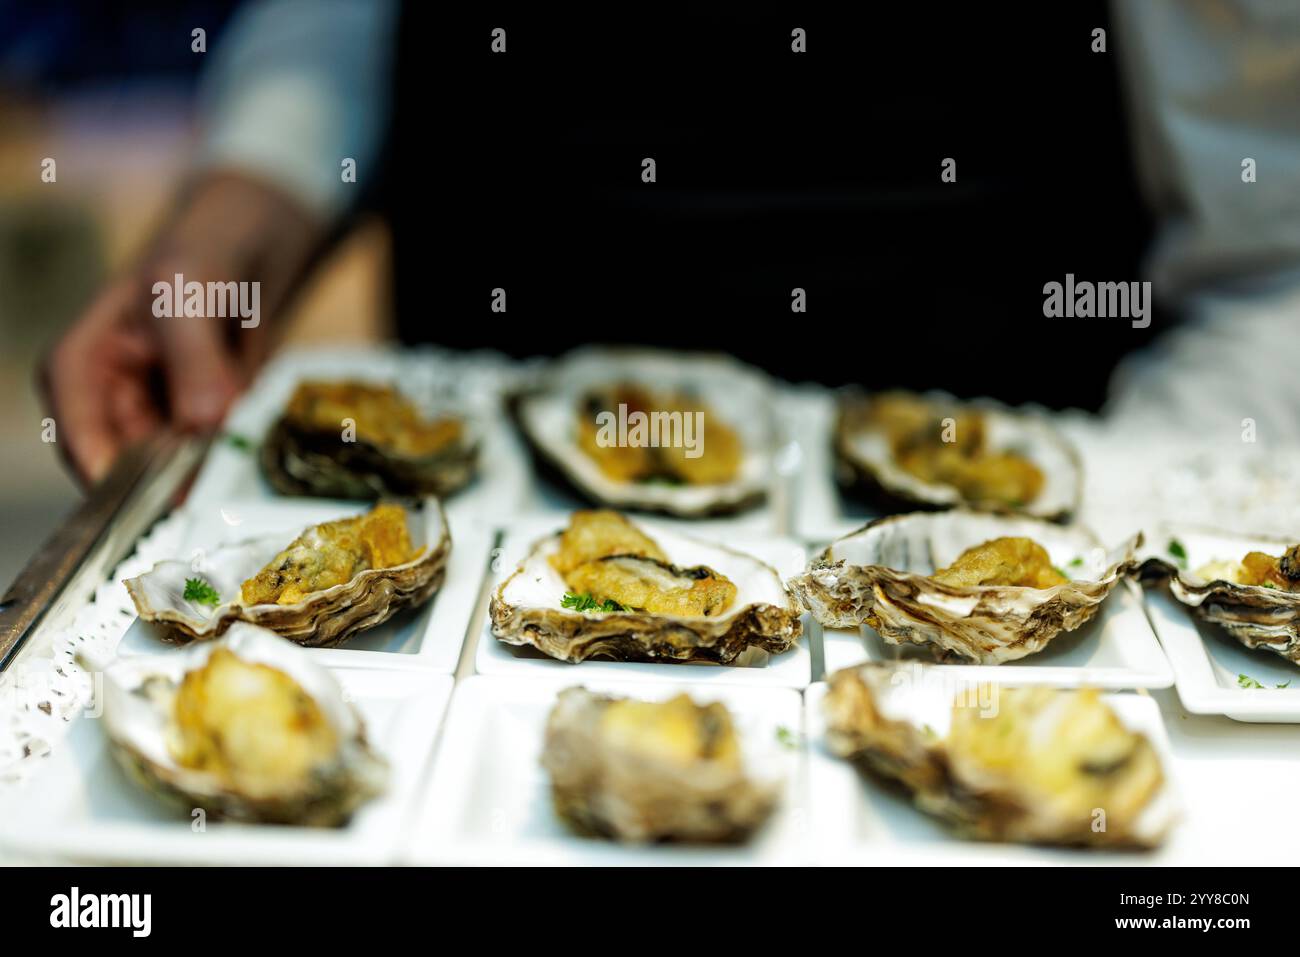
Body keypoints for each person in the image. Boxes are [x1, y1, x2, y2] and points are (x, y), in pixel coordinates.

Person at [41, 2, 1300, 485]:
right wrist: (259, 180)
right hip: (485, 483)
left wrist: (1145, 554)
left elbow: (1273, 244)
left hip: (993, 445)